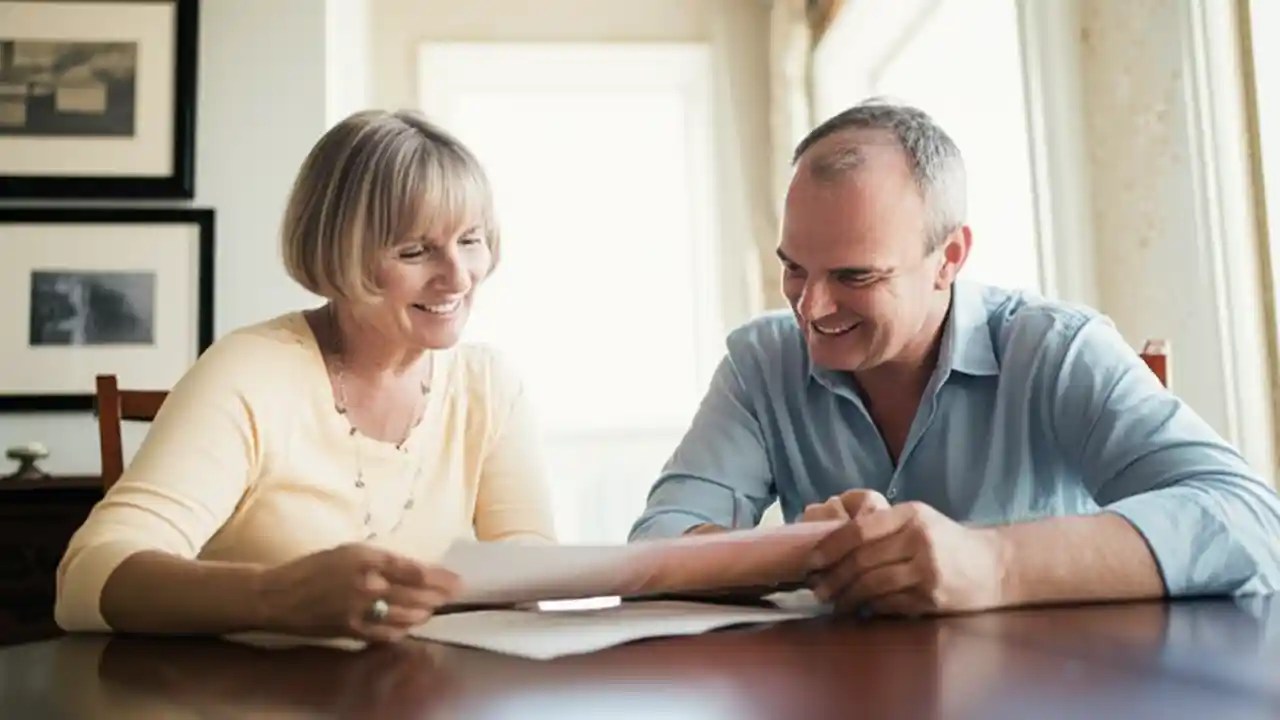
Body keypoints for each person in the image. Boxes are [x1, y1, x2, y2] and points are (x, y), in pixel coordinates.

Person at [629, 99, 1280, 616]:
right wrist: (799, 551)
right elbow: (655, 549)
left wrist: (991, 563)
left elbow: (1254, 524)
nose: (813, 309)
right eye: (795, 269)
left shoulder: (1057, 349)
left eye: (856, 276)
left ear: (949, 259)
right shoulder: (759, 363)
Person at [55, 109, 555, 643]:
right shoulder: (249, 373)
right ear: (337, 253)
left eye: (471, 240)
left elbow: (530, 575)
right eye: (415, 251)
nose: (458, 277)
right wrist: (279, 595)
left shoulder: (489, 386)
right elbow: (88, 578)